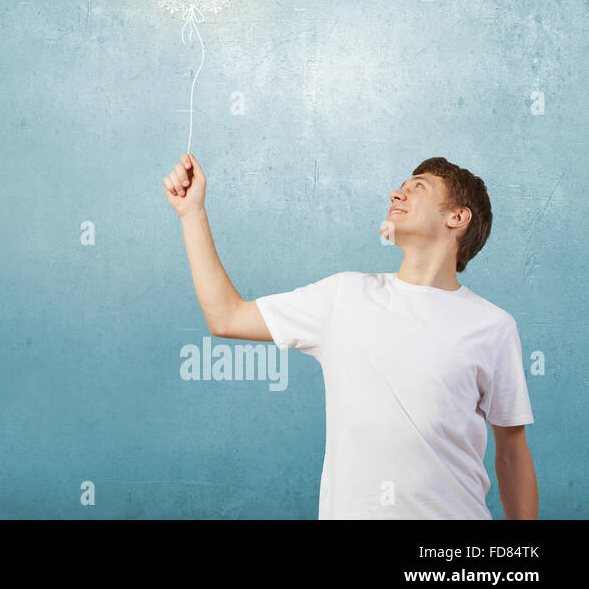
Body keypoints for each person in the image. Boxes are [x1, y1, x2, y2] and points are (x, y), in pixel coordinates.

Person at [164, 152, 537, 519]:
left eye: (418, 187)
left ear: (458, 217)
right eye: (400, 187)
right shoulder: (344, 296)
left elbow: (512, 451)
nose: (396, 194)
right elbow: (226, 317)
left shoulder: (493, 326)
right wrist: (192, 213)